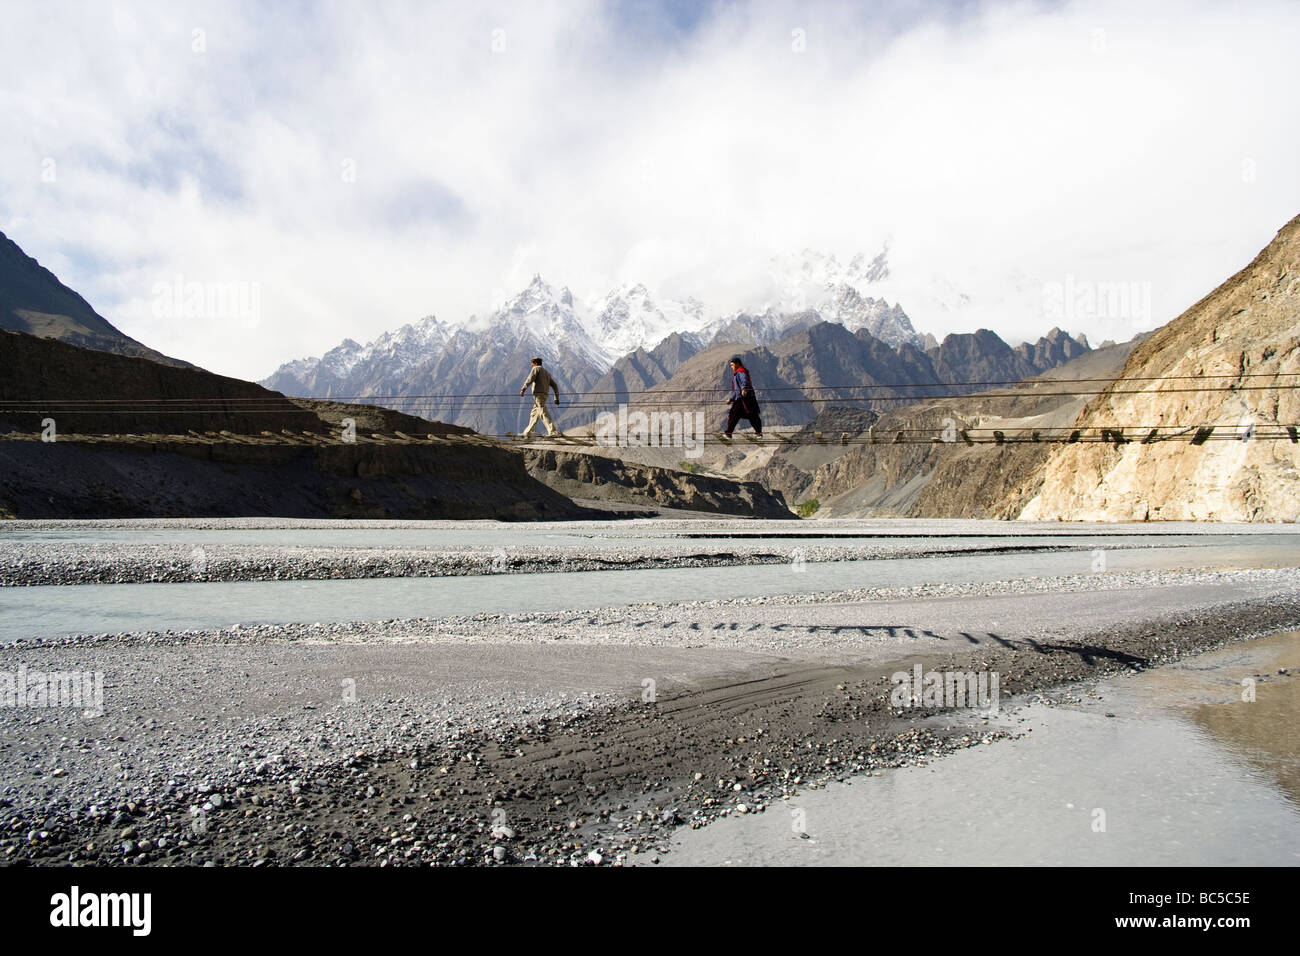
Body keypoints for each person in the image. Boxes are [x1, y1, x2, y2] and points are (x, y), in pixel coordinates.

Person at [519, 357, 561, 437]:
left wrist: (523, 389)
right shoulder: (546, 373)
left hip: (538, 395)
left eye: (532, 364)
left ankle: (552, 432)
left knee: (543, 412)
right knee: (534, 414)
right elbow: (554, 385)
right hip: (544, 395)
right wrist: (556, 398)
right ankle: (527, 433)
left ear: (535, 363)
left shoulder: (536, 369)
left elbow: (529, 379)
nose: (532, 366)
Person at [724, 355, 762, 437]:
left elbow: (744, 380)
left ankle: (728, 433)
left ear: (737, 364)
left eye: (732, 365)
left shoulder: (741, 372)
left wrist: (744, 388)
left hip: (744, 398)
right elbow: (736, 390)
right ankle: (758, 432)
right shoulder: (738, 373)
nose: (731, 367)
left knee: (733, 414)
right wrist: (731, 399)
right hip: (746, 397)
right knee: (752, 415)